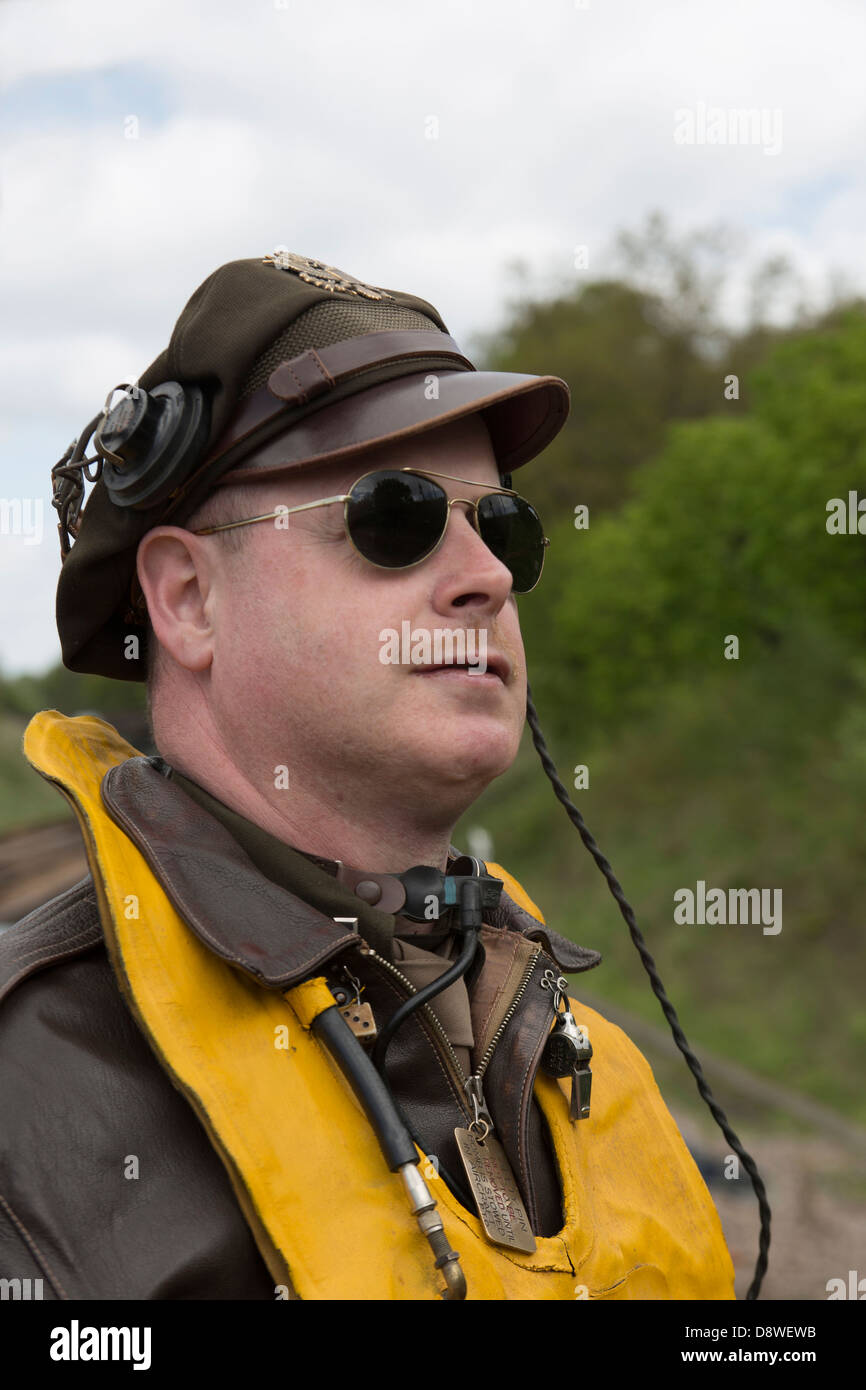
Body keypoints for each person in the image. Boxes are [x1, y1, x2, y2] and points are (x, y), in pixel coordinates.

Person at [0, 249, 735, 1301]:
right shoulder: (26, 1092)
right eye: (395, 517)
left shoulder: (574, 1048)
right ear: (188, 598)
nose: (484, 575)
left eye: (502, 526)